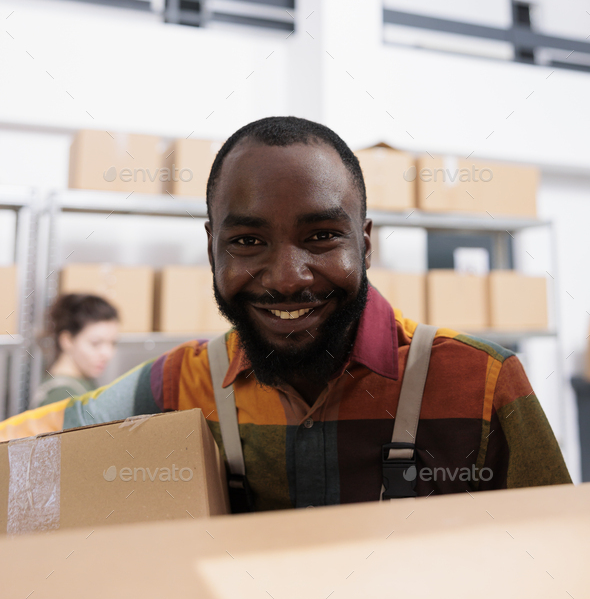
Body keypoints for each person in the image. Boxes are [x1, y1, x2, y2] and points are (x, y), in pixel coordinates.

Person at [1, 117, 570, 509]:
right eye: (248, 242)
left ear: (364, 244)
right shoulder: (181, 386)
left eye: (322, 236)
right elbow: (24, 448)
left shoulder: (482, 384)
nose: (287, 277)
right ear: (211, 249)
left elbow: (557, 571)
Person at [30, 293, 119, 407]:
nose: (107, 354)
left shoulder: (82, 382)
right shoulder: (61, 395)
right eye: (95, 343)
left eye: (113, 343)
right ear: (67, 340)